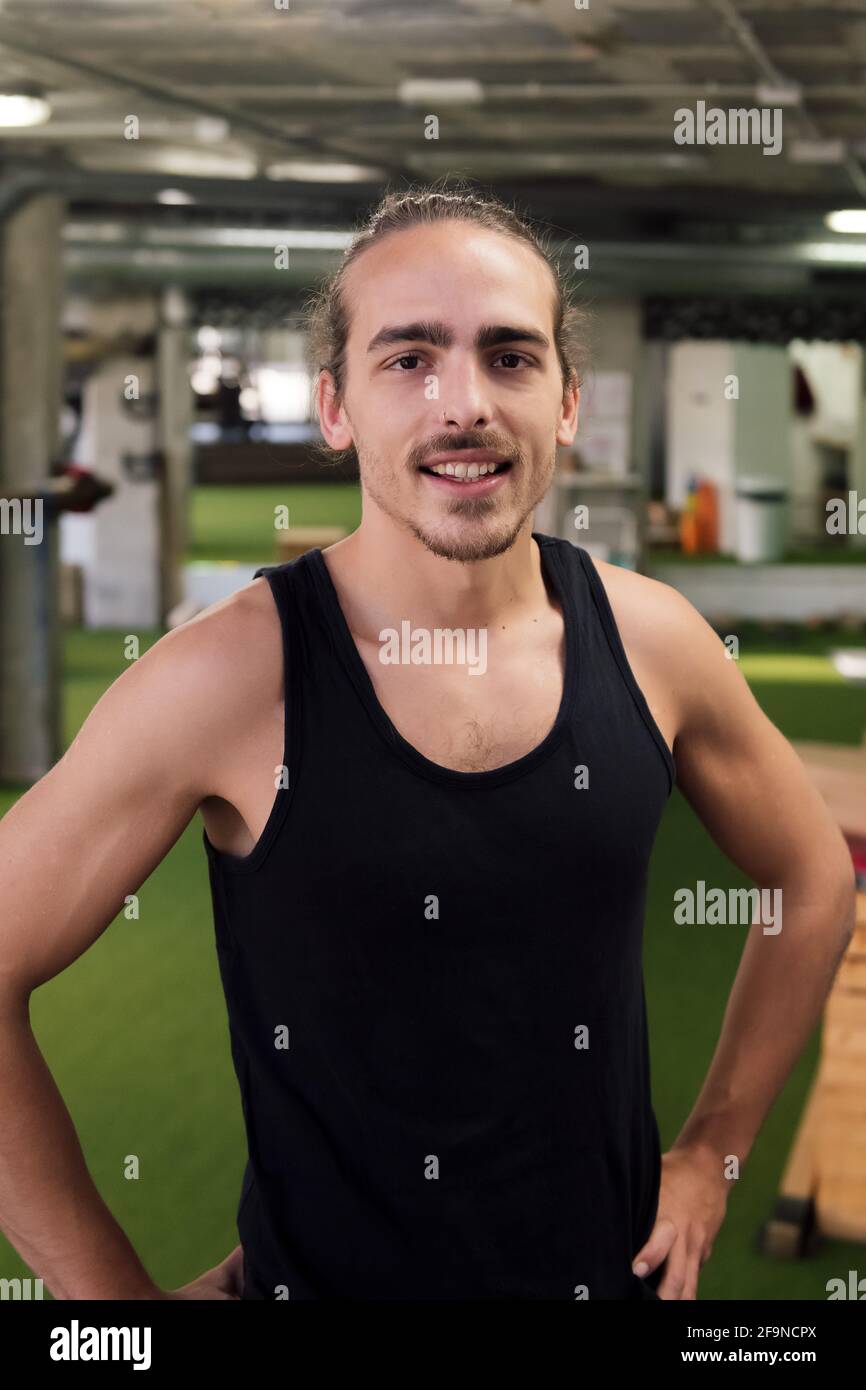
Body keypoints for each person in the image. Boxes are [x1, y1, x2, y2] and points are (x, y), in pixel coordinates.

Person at [0, 187, 855, 1302]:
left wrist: (713, 1150)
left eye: (508, 357)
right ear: (334, 406)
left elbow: (812, 873)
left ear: (564, 403)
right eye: (409, 359)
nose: (464, 405)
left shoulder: (651, 641)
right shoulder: (228, 676)